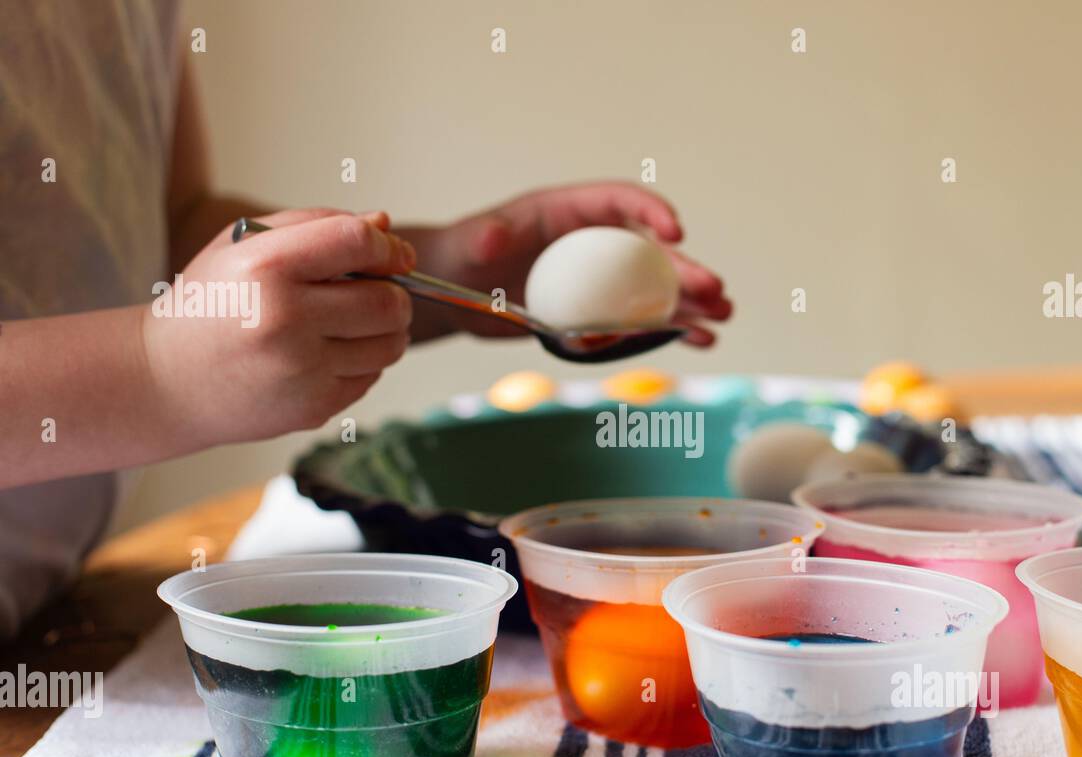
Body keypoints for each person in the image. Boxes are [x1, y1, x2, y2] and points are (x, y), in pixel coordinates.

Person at [0, 0, 731, 641]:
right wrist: (156, 372)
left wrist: (445, 274)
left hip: (45, 607)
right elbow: (163, 333)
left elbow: (177, 227)